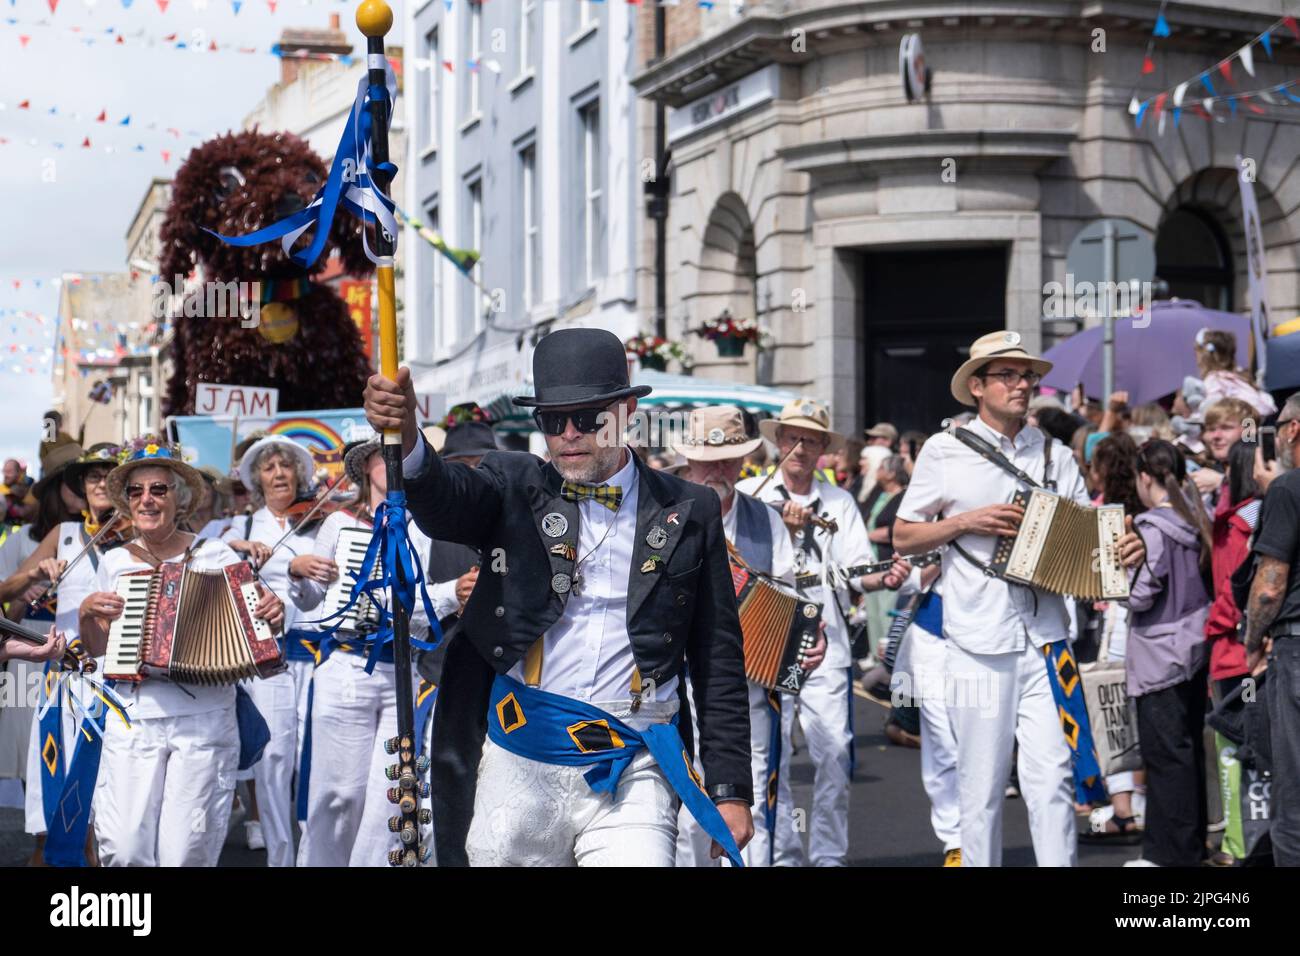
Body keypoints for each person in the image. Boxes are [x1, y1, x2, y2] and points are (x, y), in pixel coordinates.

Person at [363, 327, 755, 867]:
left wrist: (732, 790)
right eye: (552, 420)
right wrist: (407, 441)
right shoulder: (513, 483)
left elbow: (717, 657)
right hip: (522, 755)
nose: (569, 434)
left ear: (625, 413)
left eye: (587, 418)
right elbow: (448, 501)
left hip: (633, 761)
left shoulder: (690, 509)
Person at [893, 331, 1146, 867]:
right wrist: (966, 521)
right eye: (1008, 375)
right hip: (978, 640)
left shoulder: (1053, 452)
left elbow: (1088, 537)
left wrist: (1123, 547)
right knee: (980, 786)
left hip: (1047, 638)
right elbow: (903, 535)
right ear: (978, 387)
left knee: (1052, 779)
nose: (1023, 384)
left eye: (1027, 375)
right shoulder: (945, 450)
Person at [78, 438, 285, 866]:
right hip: (133, 717)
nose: (146, 500)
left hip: (205, 720)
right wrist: (85, 616)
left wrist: (272, 611)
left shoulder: (217, 555)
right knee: (124, 845)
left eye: (159, 489)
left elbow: (259, 628)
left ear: (181, 498)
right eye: (136, 491)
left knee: (185, 852)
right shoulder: (115, 561)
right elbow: (98, 653)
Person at [737, 398, 909, 867]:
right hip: (764, 636)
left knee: (833, 751)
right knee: (768, 754)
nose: (800, 447)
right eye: (792, 437)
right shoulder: (750, 494)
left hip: (823, 637)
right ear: (778, 442)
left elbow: (856, 571)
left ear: (822, 449)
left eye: (810, 439)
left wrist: (882, 579)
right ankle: (780, 850)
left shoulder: (838, 501)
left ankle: (829, 855)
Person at [671, 405, 827, 867]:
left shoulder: (767, 520)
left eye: (728, 459)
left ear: (744, 462)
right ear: (689, 461)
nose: (718, 469)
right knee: (683, 812)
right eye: (707, 459)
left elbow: (788, 599)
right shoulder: (664, 515)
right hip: (674, 690)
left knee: (751, 800)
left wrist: (806, 642)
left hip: (750, 691)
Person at [294, 437, 445, 867]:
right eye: (382, 456)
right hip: (345, 664)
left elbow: (416, 606)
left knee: (388, 799)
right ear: (366, 467)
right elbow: (308, 600)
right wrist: (298, 571)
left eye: (397, 455)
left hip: (402, 668)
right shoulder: (338, 523)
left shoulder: (426, 527)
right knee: (337, 793)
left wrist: (448, 594)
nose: (391, 463)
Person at [221, 435, 320, 865]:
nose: (279, 474)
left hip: (323, 658)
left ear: (299, 474)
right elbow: (210, 553)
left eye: (286, 466)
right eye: (269, 468)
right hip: (270, 662)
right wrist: (243, 550)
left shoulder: (324, 523)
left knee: (319, 767)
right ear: (258, 480)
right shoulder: (240, 529)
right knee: (275, 764)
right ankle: (282, 859)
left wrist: (288, 564)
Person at [1123, 440, 1213, 867]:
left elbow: (1139, 595)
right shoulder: (1197, 518)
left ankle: (1169, 855)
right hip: (1197, 644)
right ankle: (1186, 848)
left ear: (1145, 477)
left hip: (1158, 653)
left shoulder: (1152, 527)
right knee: (1188, 750)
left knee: (1164, 757)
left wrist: (1115, 573)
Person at [1245, 392, 1300, 865]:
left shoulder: (1287, 489)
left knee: (1294, 798)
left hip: (1297, 651)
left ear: (1293, 430)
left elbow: (1269, 585)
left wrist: (1251, 639)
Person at [1202, 438, 1263, 865]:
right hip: (1243, 654)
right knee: (1250, 752)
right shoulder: (1247, 518)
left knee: (1236, 753)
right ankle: (1244, 845)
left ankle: (1241, 847)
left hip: (1234, 656)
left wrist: (1210, 626)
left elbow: (1233, 591)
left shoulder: (1234, 523)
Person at [1194, 328, 1276, 418]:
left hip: (1246, 423)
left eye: (1197, 350)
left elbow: (1211, 412)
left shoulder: (1214, 380)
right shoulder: (1241, 377)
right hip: (1263, 418)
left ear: (1205, 355)